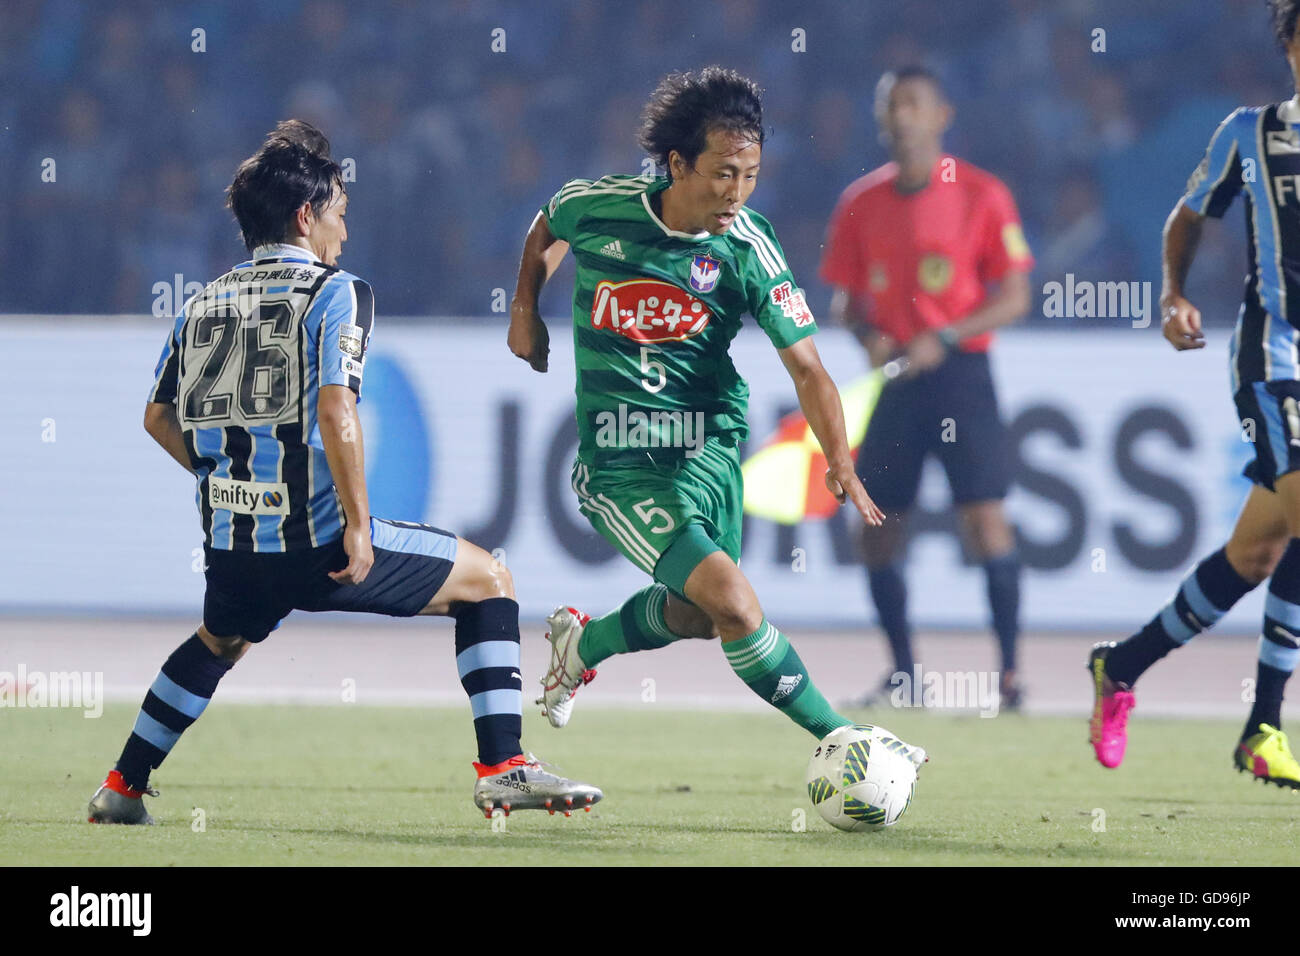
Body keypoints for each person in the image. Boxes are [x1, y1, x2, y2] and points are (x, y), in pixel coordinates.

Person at [87, 121, 601, 824]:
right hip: (315, 541)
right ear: (306, 215)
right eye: (339, 215)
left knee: (220, 640)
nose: (345, 234)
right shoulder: (336, 291)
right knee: (490, 582)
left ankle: (122, 787)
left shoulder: (201, 301)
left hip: (233, 548)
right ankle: (504, 765)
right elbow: (336, 408)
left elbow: (156, 416)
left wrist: (228, 483)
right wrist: (358, 526)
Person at [506, 66, 928, 775]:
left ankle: (583, 646)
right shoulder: (598, 207)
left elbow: (809, 369)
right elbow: (547, 225)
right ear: (677, 165)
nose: (737, 192)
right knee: (733, 600)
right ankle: (848, 740)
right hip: (621, 462)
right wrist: (524, 309)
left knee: (705, 616)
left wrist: (841, 462)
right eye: (723, 173)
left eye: (751, 175)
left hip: (709, 450)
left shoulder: (746, 248)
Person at [1087, 0, 1300, 788]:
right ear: (1289, 47)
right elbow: (1188, 213)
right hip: (1274, 355)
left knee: (1257, 552)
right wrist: (1173, 294)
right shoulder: (1252, 132)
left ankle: (1123, 665)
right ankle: (1264, 727)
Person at [819, 66, 1034, 710]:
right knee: (876, 529)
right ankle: (905, 676)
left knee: (986, 522)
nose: (901, 116)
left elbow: (1016, 296)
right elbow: (844, 303)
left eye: (912, 104)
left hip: (960, 375)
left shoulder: (981, 193)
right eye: (890, 106)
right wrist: (868, 337)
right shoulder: (861, 200)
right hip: (898, 382)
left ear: (941, 115)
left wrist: (944, 336)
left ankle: (1010, 679)